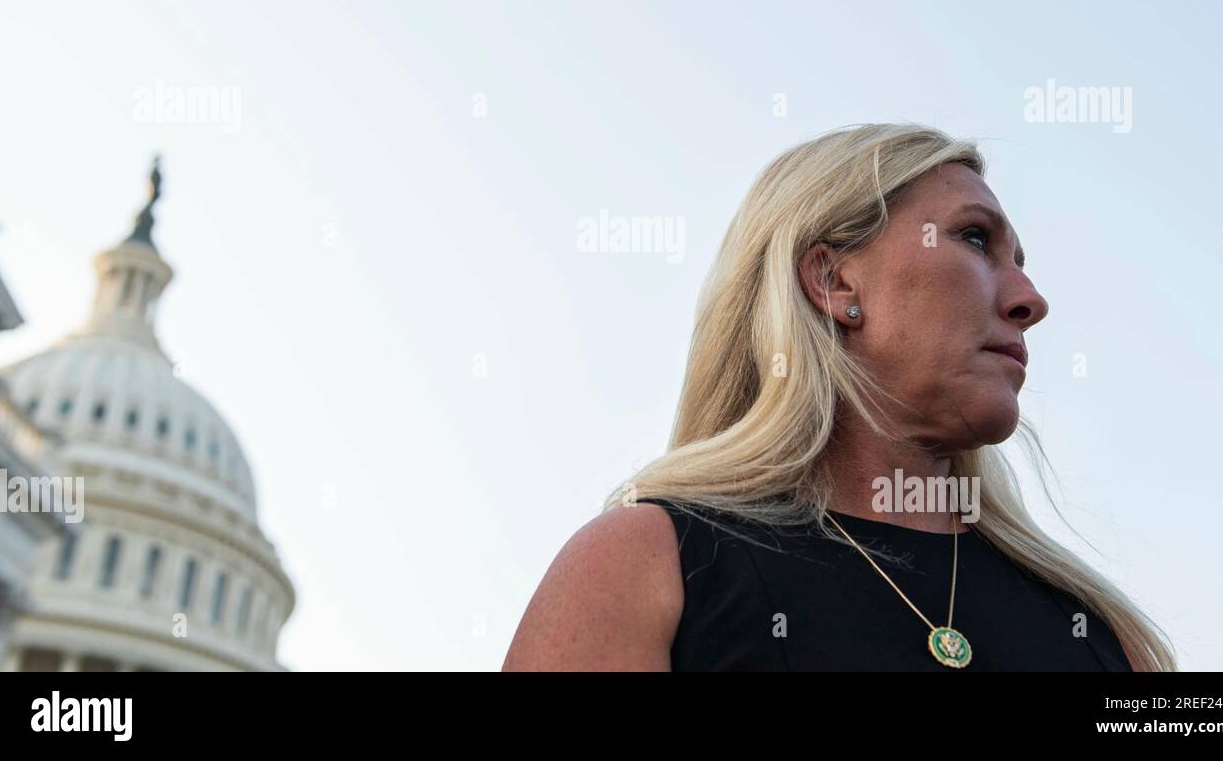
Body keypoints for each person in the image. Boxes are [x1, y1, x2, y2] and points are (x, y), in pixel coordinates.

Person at [503, 123, 1176, 671]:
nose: (1029, 300)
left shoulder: (1105, 637)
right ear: (834, 281)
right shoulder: (650, 564)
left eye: (1020, 263)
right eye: (975, 238)